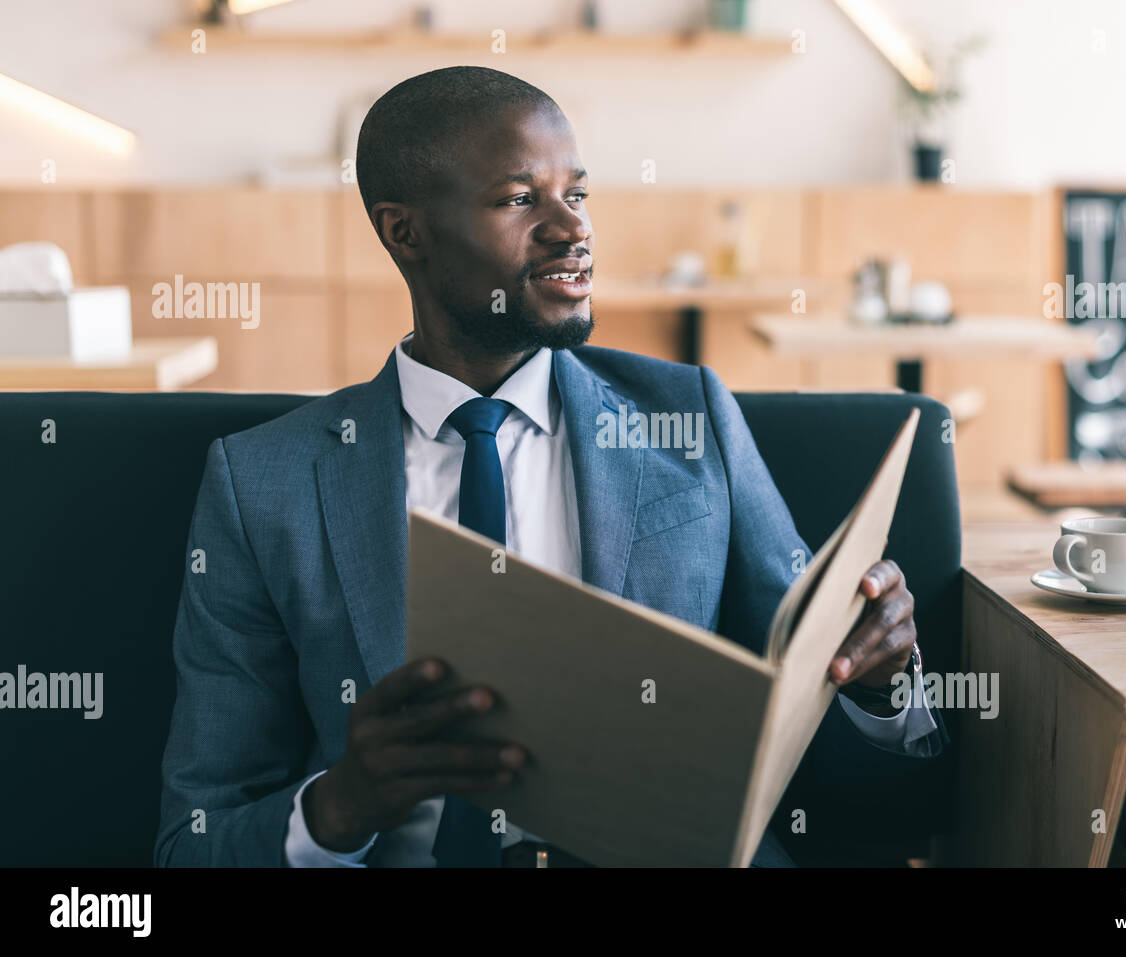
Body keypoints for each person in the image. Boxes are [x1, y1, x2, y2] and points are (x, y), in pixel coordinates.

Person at [154, 66, 946, 868]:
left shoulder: (688, 417)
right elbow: (192, 843)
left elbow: (831, 728)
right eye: (518, 199)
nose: (572, 230)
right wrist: (341, 804)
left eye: (578, 194)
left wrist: (877, 683)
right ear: (405, 232)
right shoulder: (263, 485)